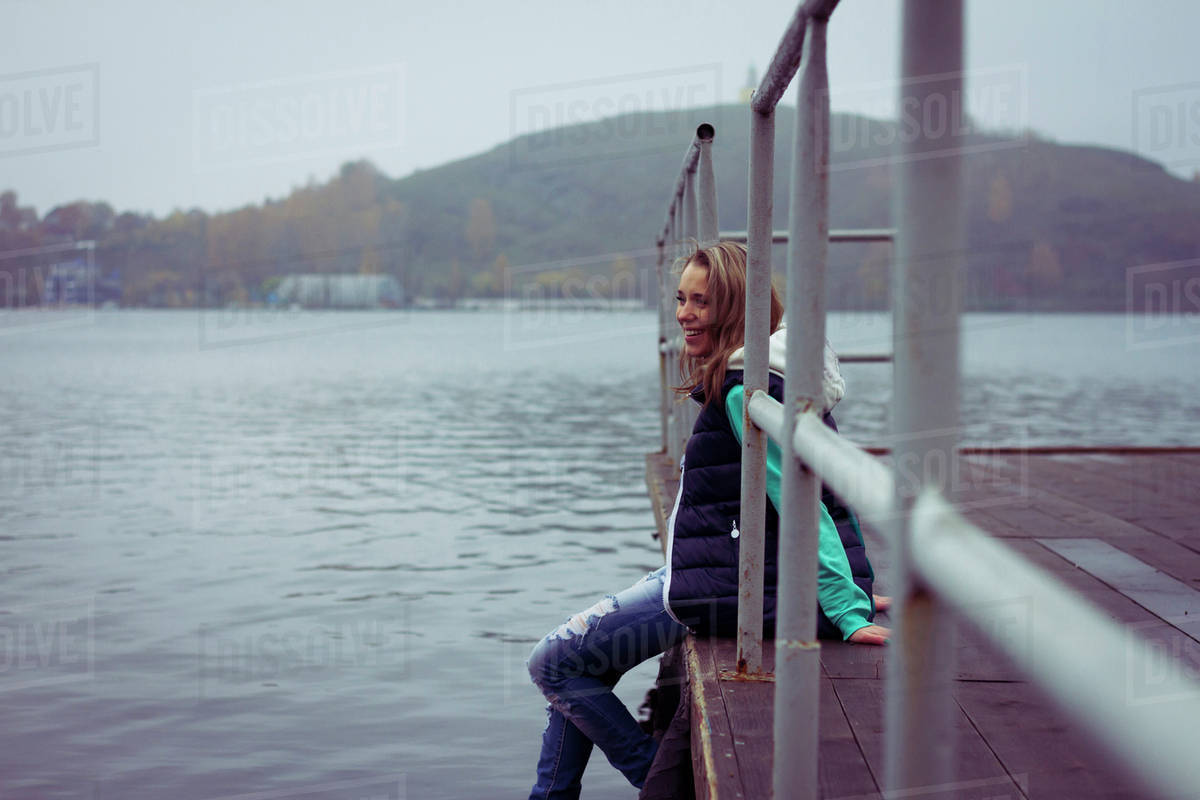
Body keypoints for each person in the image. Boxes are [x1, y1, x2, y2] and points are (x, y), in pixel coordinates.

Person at [525, 241, 889, 800]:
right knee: (575, 667)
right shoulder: (768, 381)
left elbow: (804, 499)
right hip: (710, 569)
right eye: (681, 299)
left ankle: (658, 783)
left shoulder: (747, 393)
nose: (684, 314)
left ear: (737, 308)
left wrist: (845, 604)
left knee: (552, 666)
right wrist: (856, 584)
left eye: (702, 302)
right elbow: (824, 484)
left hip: (714, 586)